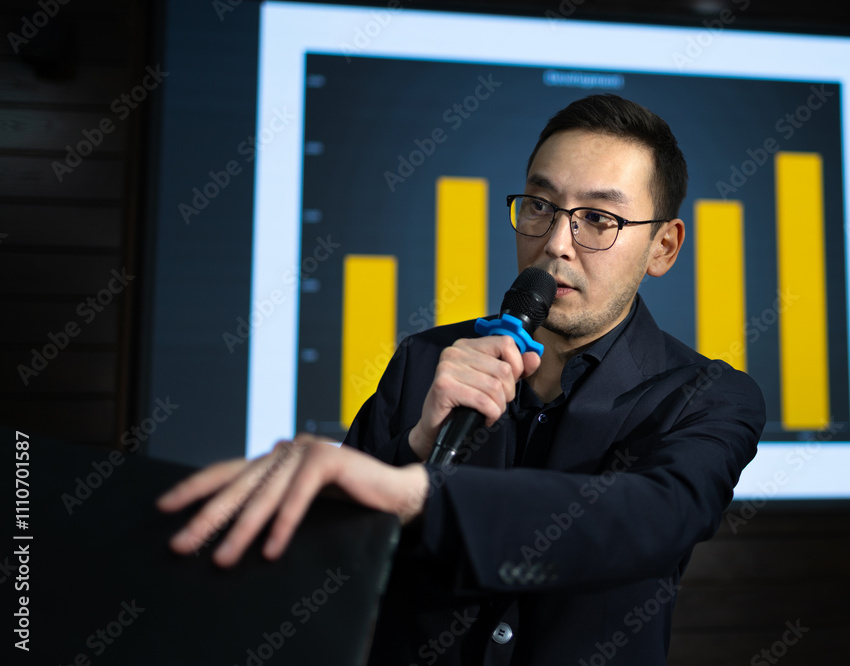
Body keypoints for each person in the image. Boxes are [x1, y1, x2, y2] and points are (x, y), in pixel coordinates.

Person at [158, 94, 766, 665]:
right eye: (540, 206)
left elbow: (657, 514)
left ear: (663, 247)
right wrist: (419, 445)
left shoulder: (709, 395)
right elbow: (334, 559)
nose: (556, 244)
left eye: (598, 219)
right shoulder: (426, 359)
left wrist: (420, 495)